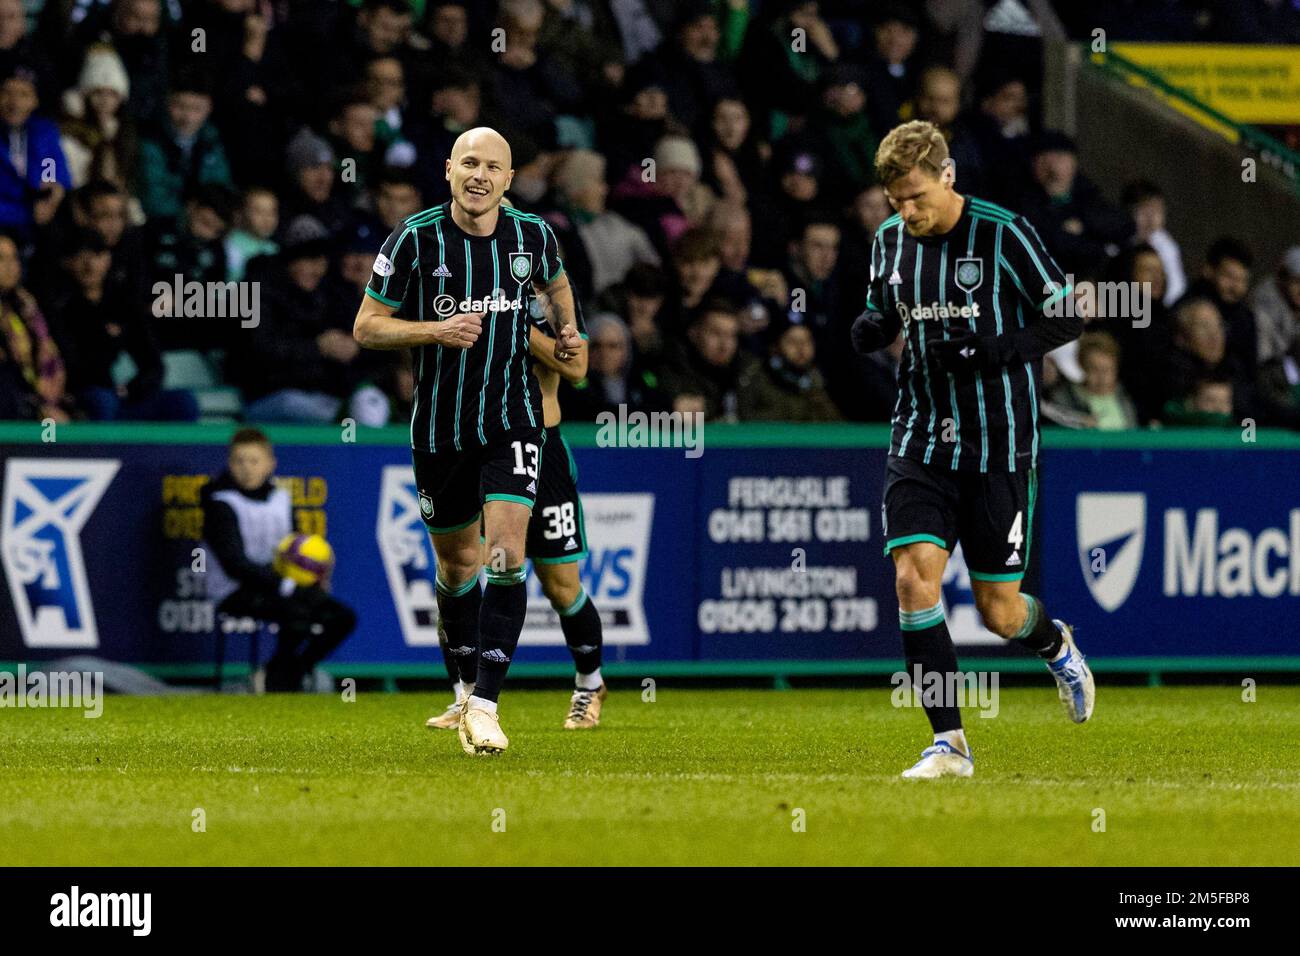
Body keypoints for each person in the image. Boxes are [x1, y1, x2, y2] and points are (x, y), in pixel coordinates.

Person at [849, 120, 1094, 780]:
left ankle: (1055, 642)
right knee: (912, 577)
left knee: (999, 612)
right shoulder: (889, 241)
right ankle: (950, 743)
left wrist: (996, 350)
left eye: (918, 196)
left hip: (999, 446)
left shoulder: (1001, 231)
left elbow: (1070, 312)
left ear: (948, 176)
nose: (908, 212)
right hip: (921, 438)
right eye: (897, 200)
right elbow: (881, 310)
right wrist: (870, 327)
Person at [353, 126, 581, 755]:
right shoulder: (415, 237)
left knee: (506, 553)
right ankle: (460, 695)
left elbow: (556, 281)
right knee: (458, 568)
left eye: (494, 167)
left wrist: (567, 329)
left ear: (509, 180)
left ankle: (485, 704)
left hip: (512, 420)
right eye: (469, 163)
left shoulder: (533, 235)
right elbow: (367, 327)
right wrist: (435, 330)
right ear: (449, 169)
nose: (480, 175)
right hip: (439, 431)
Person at [427, 284, 608, 731]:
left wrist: (518, 331)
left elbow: (580, 366)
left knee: (561, 585)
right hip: (474, 446)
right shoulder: (457, 285)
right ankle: (465, 696)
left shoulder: (548, 298)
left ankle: (590, 683)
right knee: (459, 570)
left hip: (540, 448)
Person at [201, 428, 356, 692]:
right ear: (229, 464)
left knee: (342, 617)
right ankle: (282, 681)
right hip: (235, 591)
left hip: (282, 585)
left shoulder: (281, 500)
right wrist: (287, 586)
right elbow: (234, 564)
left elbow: (298, 547)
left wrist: (316, 575)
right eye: (239, 461)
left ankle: (290, 670)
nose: (247, 469)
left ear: (270, 464)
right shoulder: (220, 503)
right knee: (297, 612)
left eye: (254, 461)